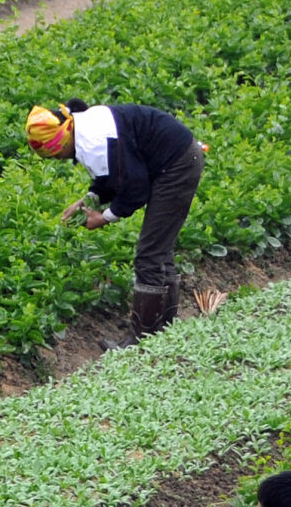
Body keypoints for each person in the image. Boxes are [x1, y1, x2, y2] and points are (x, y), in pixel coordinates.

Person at [28, 99, 205, 339]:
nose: (58, 159)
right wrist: (87, 200)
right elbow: (113, 174)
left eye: (56, 155)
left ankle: (143, 338)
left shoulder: (92, 144)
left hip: (177, 165)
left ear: (64, 140)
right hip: (176, 157)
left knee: (149, 254)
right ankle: (163, 329)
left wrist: (103, 218)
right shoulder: (83, 126)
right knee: (159, 250)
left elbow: (135, 189)